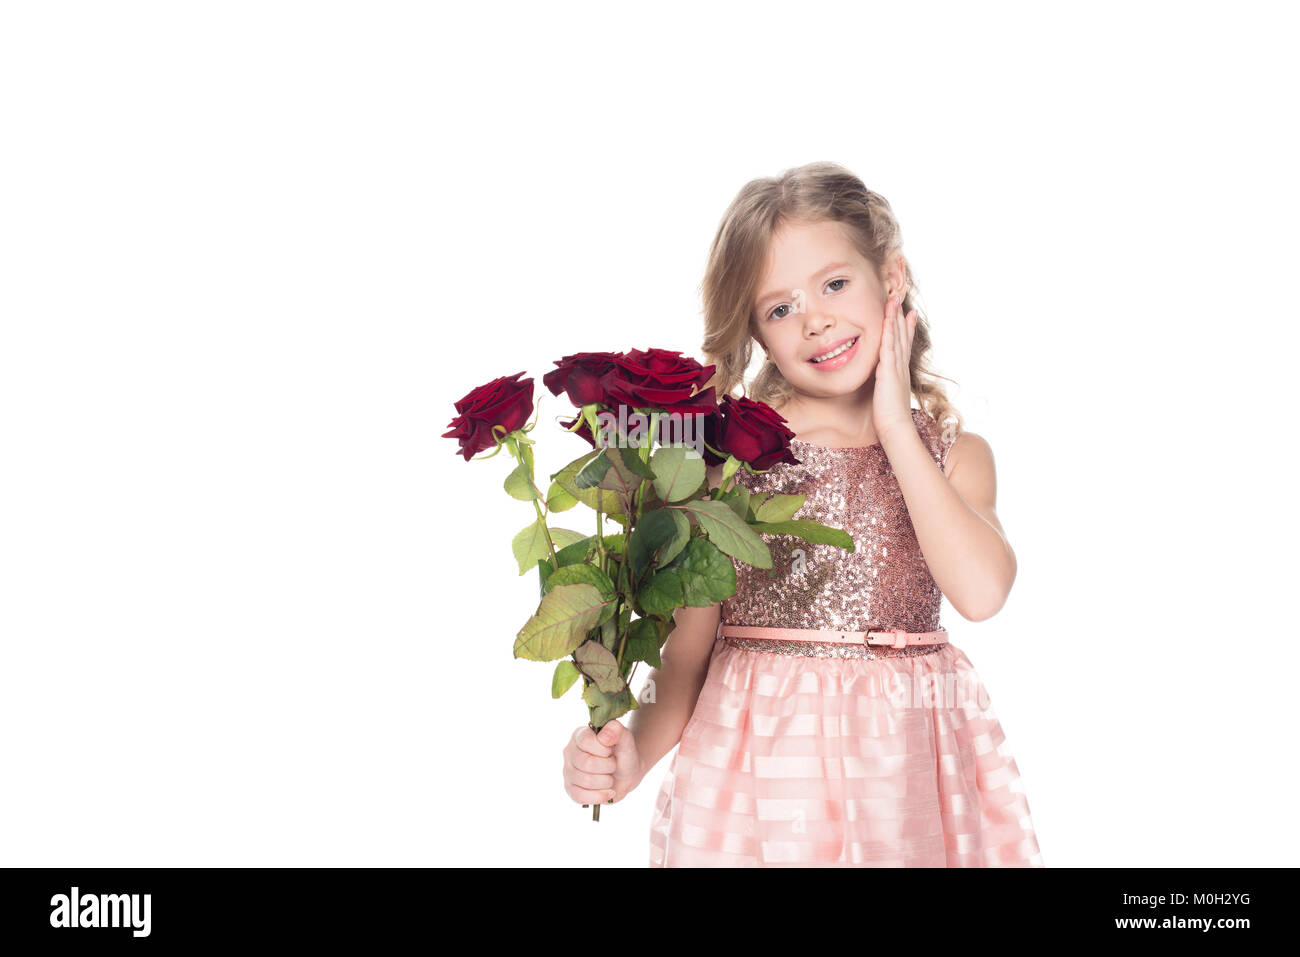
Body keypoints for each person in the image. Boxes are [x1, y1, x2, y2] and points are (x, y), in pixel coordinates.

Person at [562, 161, 1044, 867]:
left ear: (893, 277)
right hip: (757, 785)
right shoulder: (728, 463)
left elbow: (981, 591)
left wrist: (896, 428)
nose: (814, 318)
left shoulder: (952, 455)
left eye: (835, 284)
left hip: (901, 784)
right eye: (779, 308)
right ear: (755, 331)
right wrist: (630, 754)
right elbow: (687, 658)